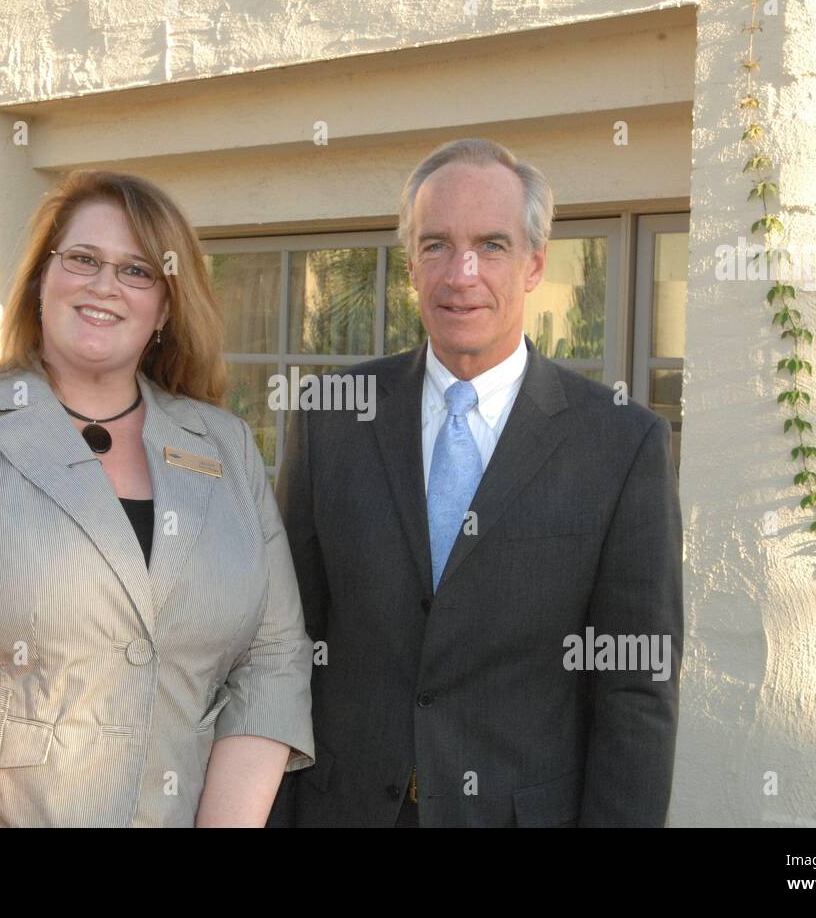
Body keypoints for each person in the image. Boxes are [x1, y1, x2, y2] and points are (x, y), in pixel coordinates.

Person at [0, 170, 314, 827]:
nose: (103, 284)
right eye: (82, 258)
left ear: (166, 307)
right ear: (41, 280)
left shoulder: (226, 446)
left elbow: (273, 660)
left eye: (137, 270)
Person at [268, 138, 682, 827]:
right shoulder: (330, 418)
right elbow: (284, 648)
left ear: (534, 264)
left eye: (491, 245)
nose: (462, 273)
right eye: (436, 245)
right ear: (410, 265)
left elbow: (636, 691)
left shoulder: (620, 444)